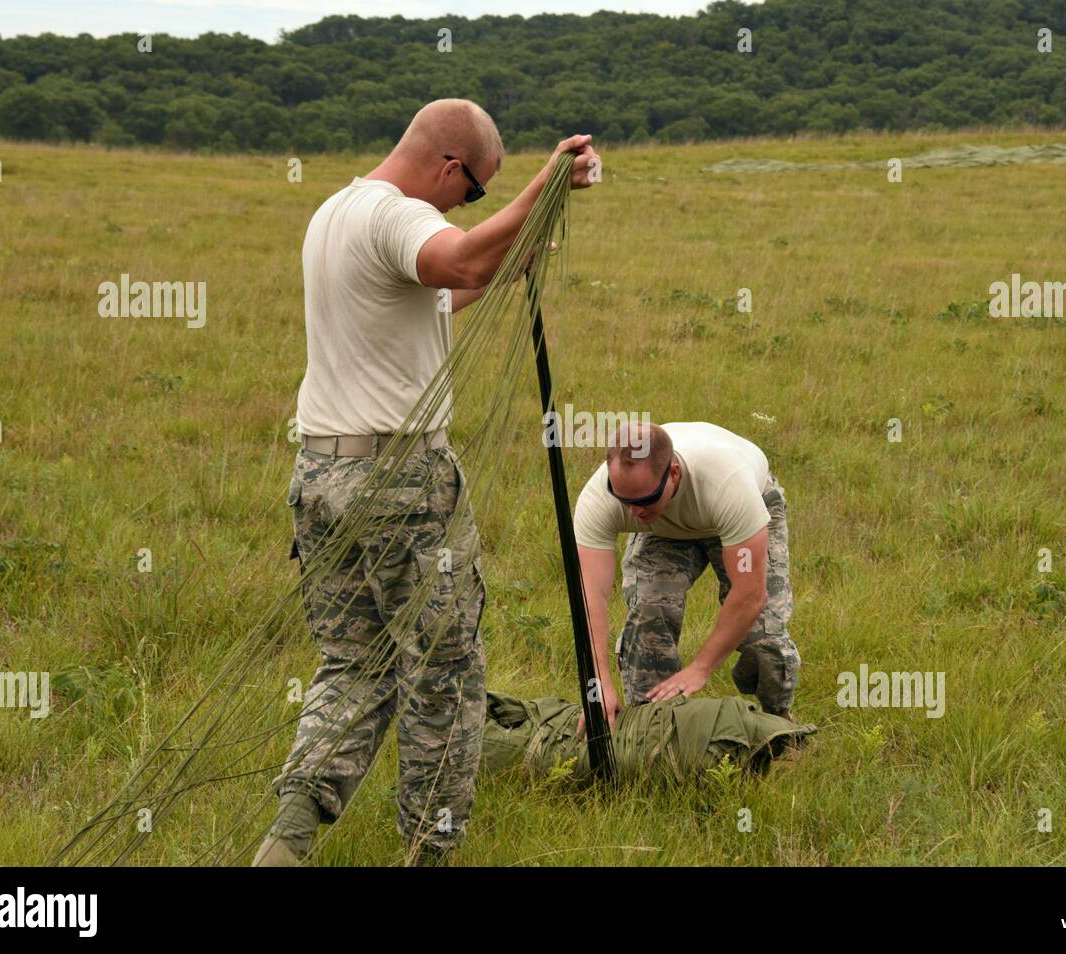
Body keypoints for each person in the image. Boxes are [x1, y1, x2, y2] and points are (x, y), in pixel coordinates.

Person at [254, 99, 599, 866]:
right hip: (399, 481)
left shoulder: (336, 212)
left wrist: (518, 246)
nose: (466, 204)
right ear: (449, 167)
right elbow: (462, 258)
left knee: (352, 665)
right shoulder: (393, 215)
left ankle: (288, 840)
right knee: (442, 672)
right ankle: (430, 852)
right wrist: (545, 185)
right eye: (472, 191)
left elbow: (445, 290)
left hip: (319, 474)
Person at [573, 421, 801, 730]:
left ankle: (777, 725)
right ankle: (649, 728)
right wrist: (598, 682)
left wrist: (701, 668)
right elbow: (590, 596)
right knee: (650, 609)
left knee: (764, 635)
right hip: (665, 529)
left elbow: (750, 594)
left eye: (644, 499)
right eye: (625, 500)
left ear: (674, 474)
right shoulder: (601, 500)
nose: (633, 512)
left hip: (741, 518)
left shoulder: (728, 486)